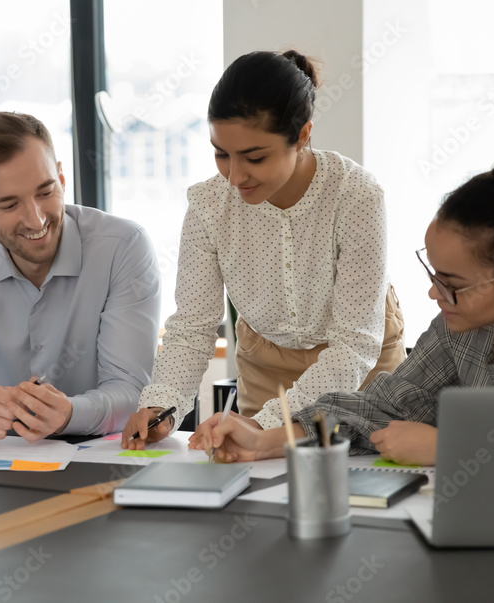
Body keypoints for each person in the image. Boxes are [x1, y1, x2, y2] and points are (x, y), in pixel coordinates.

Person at [194, 138, 494, 465]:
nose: (434, 294)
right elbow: (380, 408)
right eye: (433, 276)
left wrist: (450, 448)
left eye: (452, 284)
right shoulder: (458, 328)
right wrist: (264, 441)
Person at [122, 50, 405, 448]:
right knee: (262, 486)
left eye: (254, 157)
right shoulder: (208, 206)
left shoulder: (357, 196)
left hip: (360, 365)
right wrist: (162, 406)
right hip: (265, 363)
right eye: (221, 153)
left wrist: (269, 424)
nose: (235, 176)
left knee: (365, 478)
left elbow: (355, 344)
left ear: (303, 136)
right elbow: (192, 326)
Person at [0, 111, 161, 440]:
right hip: (4, 463)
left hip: (106, 456)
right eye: (9, 205)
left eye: (45, 192)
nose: (36, 220)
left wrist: (71, 414)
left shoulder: (123, 247)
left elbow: (132, 390)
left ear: (62, 179)